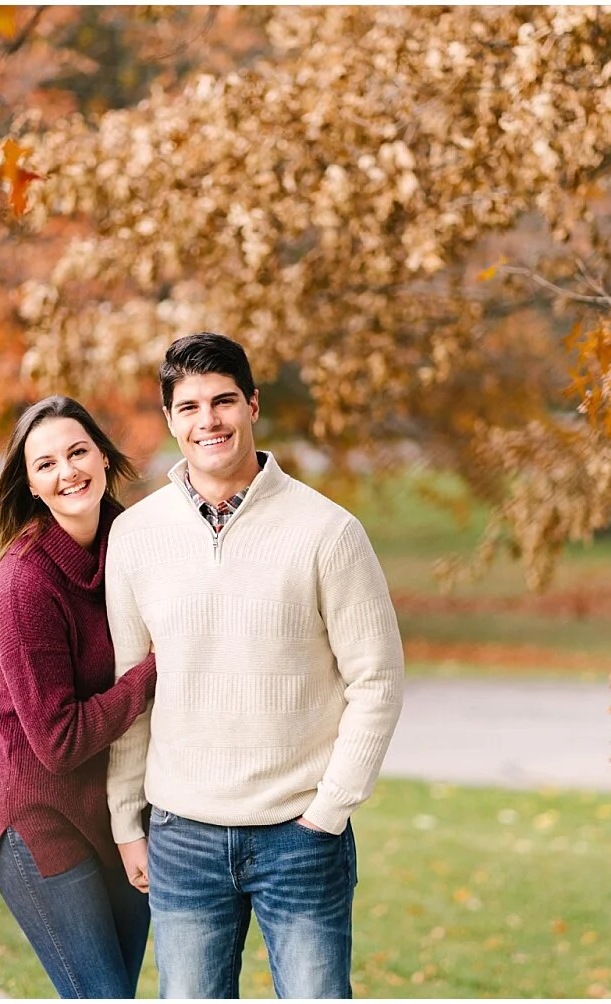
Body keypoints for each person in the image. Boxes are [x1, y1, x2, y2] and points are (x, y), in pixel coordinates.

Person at [104, 332, 405, 999]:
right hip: (182, 836)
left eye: (223, 401)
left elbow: (377, 679)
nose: (208, 421)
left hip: (300, 836)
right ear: (170, 421)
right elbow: (131, 690)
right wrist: (127, 820)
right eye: (189, 407)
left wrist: (329, 810)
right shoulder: (135, 536)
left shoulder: (328, 532)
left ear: (253, 406)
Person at [0, 395, 157, 1000]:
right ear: (30, 483)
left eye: (77, 452)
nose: (67, 471)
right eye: (46, 464)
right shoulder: (22, 584)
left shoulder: (128, 547)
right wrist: (156, 673)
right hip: (43, 825)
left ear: (102, 457)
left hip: (117, 817)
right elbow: (58, 741)